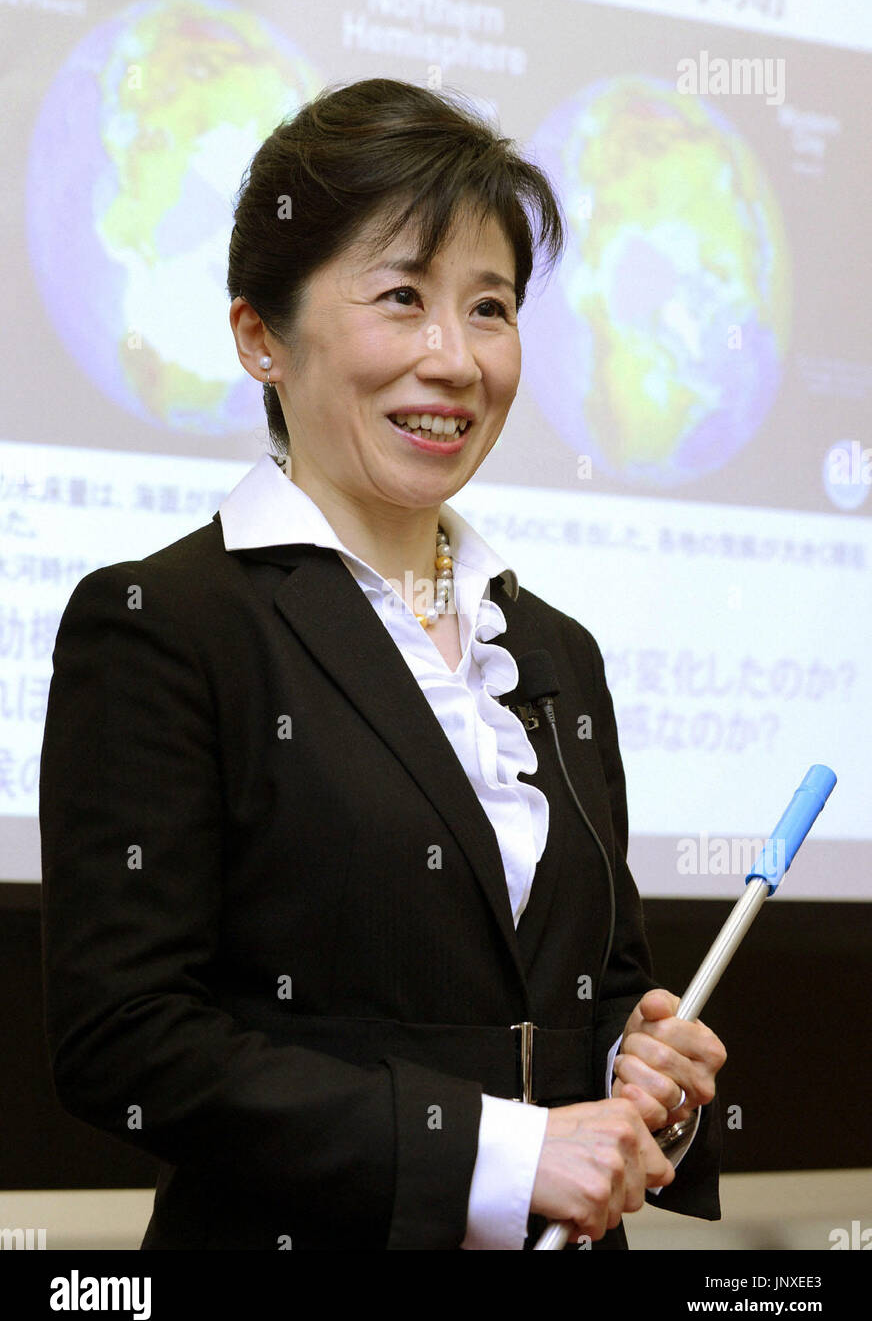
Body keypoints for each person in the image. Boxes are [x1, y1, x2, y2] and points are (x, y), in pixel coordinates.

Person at [39, 77, 725, 1251]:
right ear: (261, 334)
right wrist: (505, 1156)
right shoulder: (164, 623)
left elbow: (587, 985)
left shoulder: (555, 652)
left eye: (490, 307)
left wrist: (636, 1058)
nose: (454, 359)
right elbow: (129, 1038)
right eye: (401, 297)